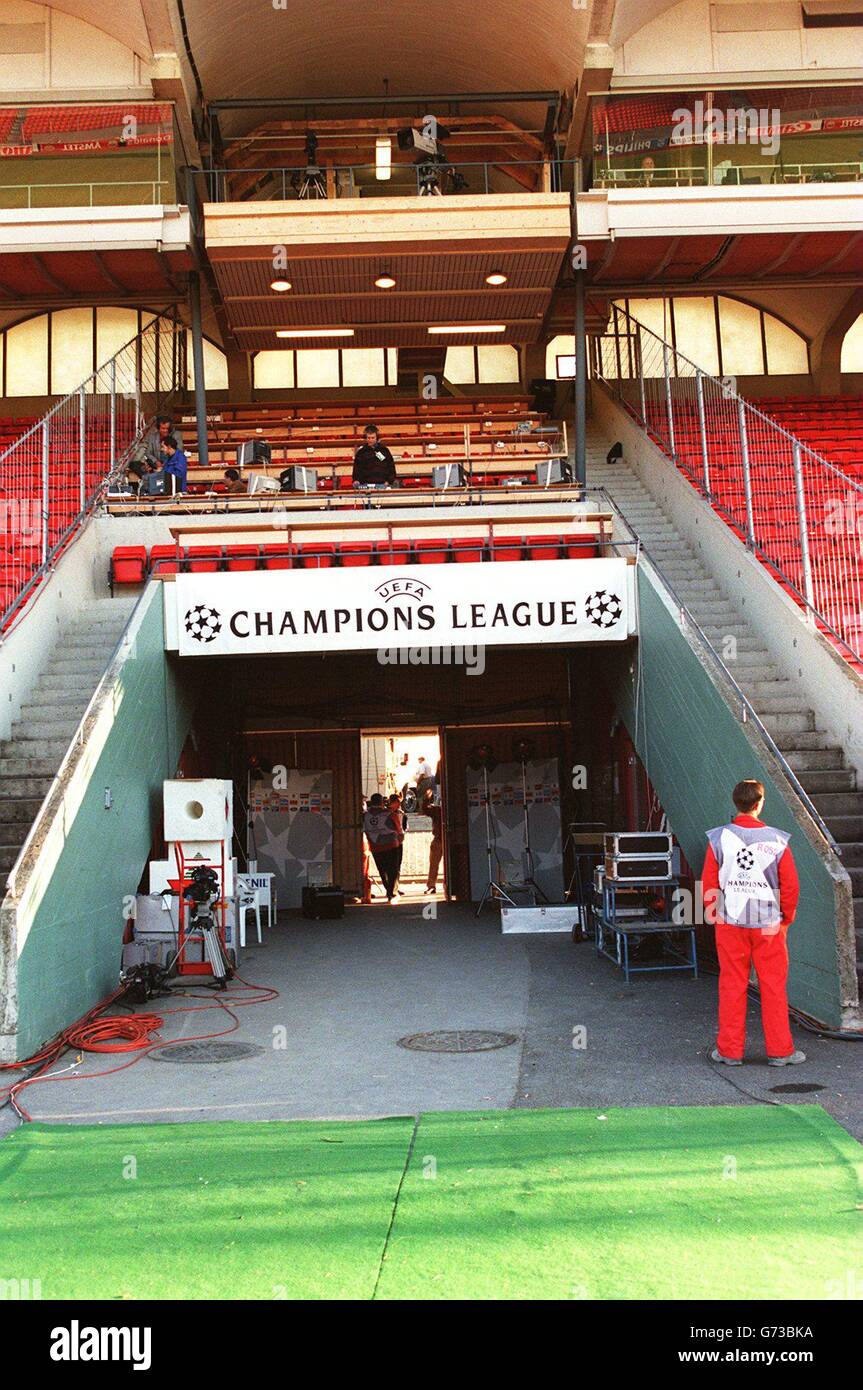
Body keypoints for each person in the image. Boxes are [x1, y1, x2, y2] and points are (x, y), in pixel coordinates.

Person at [702, 779, 804, 1067]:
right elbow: (791, 887)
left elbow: (709, 885)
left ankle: (730, 1051)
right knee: (773, 986)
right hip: (770, 924)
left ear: (736, 803)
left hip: (730, 922)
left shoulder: (718, 838)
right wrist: (786, 919)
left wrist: (716, 916)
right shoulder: (778, 840)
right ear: (760, 804)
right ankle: (780, 1052)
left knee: (732, 985)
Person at [363, 794, 404, 903]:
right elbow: (399, 829)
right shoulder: (389, 814)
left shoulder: (365, 816)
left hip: (375, 847)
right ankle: (392, 894)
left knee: (383, 870)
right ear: (382, 802)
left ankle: (389, 891)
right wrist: (399, 839)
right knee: (393, 870)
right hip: (391, 845)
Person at [352, 424, 396, 488]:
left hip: (382, 484)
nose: (370, 440)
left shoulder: (384, 450)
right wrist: (356, 480)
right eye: (368, 438)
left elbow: (391, 466)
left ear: (377, 437)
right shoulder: (361, 452)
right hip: (364, 484)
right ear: (366, 438)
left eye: (373, 438)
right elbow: (356, 468)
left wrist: (389, 481)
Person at [388, 792, 408, 895]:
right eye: (397, 802)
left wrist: (402, 833)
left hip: (399, 842)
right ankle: (391, 887)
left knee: (397, 865)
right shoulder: (386, 813)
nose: (399, 804)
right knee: (390, 865)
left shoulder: (402, 814)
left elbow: (405, 826)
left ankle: (396, 886)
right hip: (389, 842)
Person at [423, 787, 443, 894]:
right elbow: (425, 809)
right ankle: (432, 885)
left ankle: (431, 885)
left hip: (438, 839)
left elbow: (425, 809)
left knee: (434, 864)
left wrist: (426, 798)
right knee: (434, 864)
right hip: (443, 839)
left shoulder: (437, 810)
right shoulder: (438, 810)